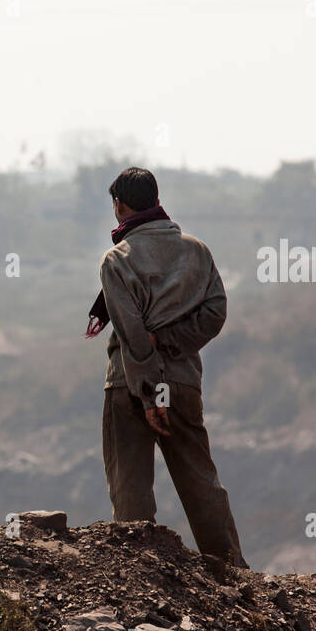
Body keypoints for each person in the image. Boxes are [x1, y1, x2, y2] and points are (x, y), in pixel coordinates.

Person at [86, 166, 248, 568]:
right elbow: (215, 314)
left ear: (119, 206)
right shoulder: (197, 251)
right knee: (200, 479)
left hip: (130, 386)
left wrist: (148, 395)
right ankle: (230, 566)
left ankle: (142, 572)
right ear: (157, 201)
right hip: (183, 382)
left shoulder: (116, 260)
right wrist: (172, 341)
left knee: (130, 484)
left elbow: (132, 335)